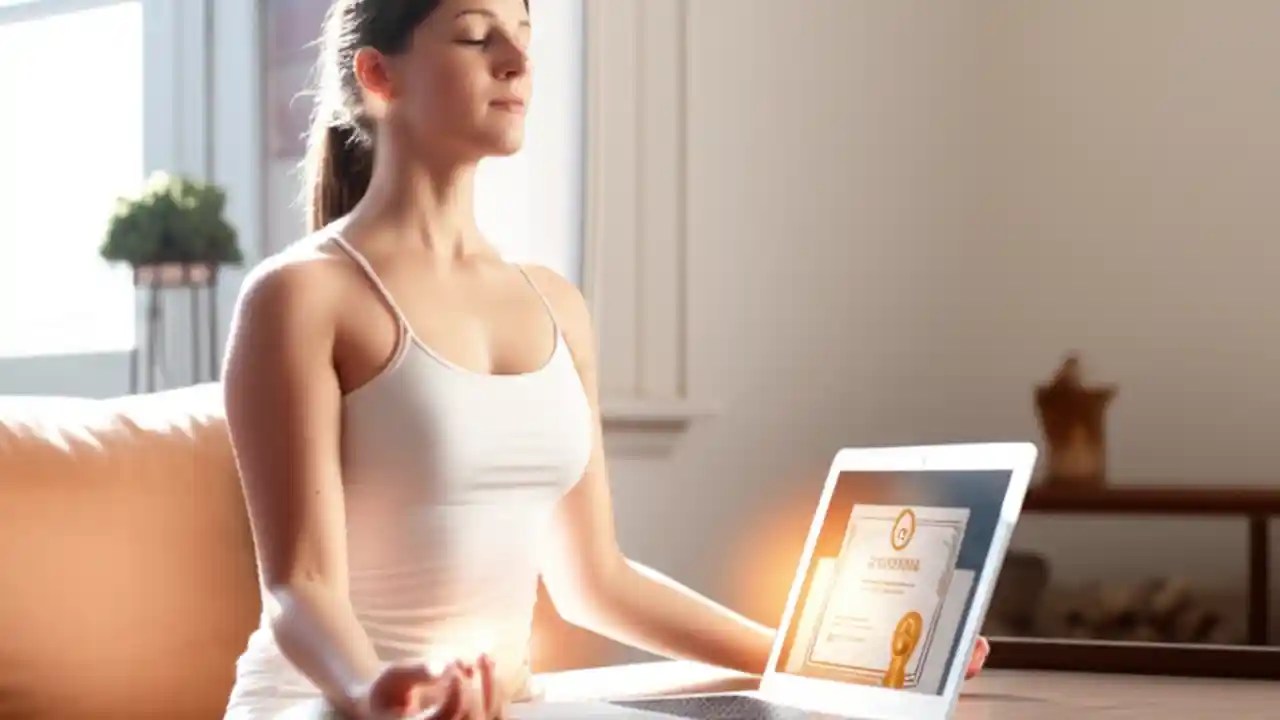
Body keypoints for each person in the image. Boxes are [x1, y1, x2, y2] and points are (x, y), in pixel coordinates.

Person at [220, 1, 989, 718]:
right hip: (324, 705)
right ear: (379, 75)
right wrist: (370, 692)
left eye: (524, 31)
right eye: (474, 33)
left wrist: (834, 660)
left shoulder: (556, 303)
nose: (517, 58)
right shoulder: (301, 296)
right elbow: (301, 586)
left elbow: (597, 581)